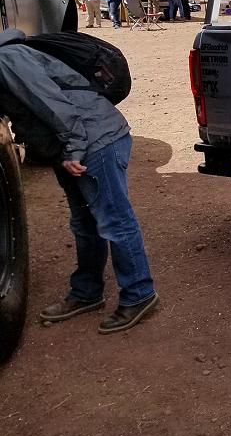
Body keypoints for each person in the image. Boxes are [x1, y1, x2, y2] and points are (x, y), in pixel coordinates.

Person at [0, 29, 158, 333]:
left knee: (115, 221)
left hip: (94, 141)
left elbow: (51, 103)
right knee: (85, 222)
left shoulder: (7, 58)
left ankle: (139, 293)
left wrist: (73, 148)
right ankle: (87, 292)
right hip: (72, 145)